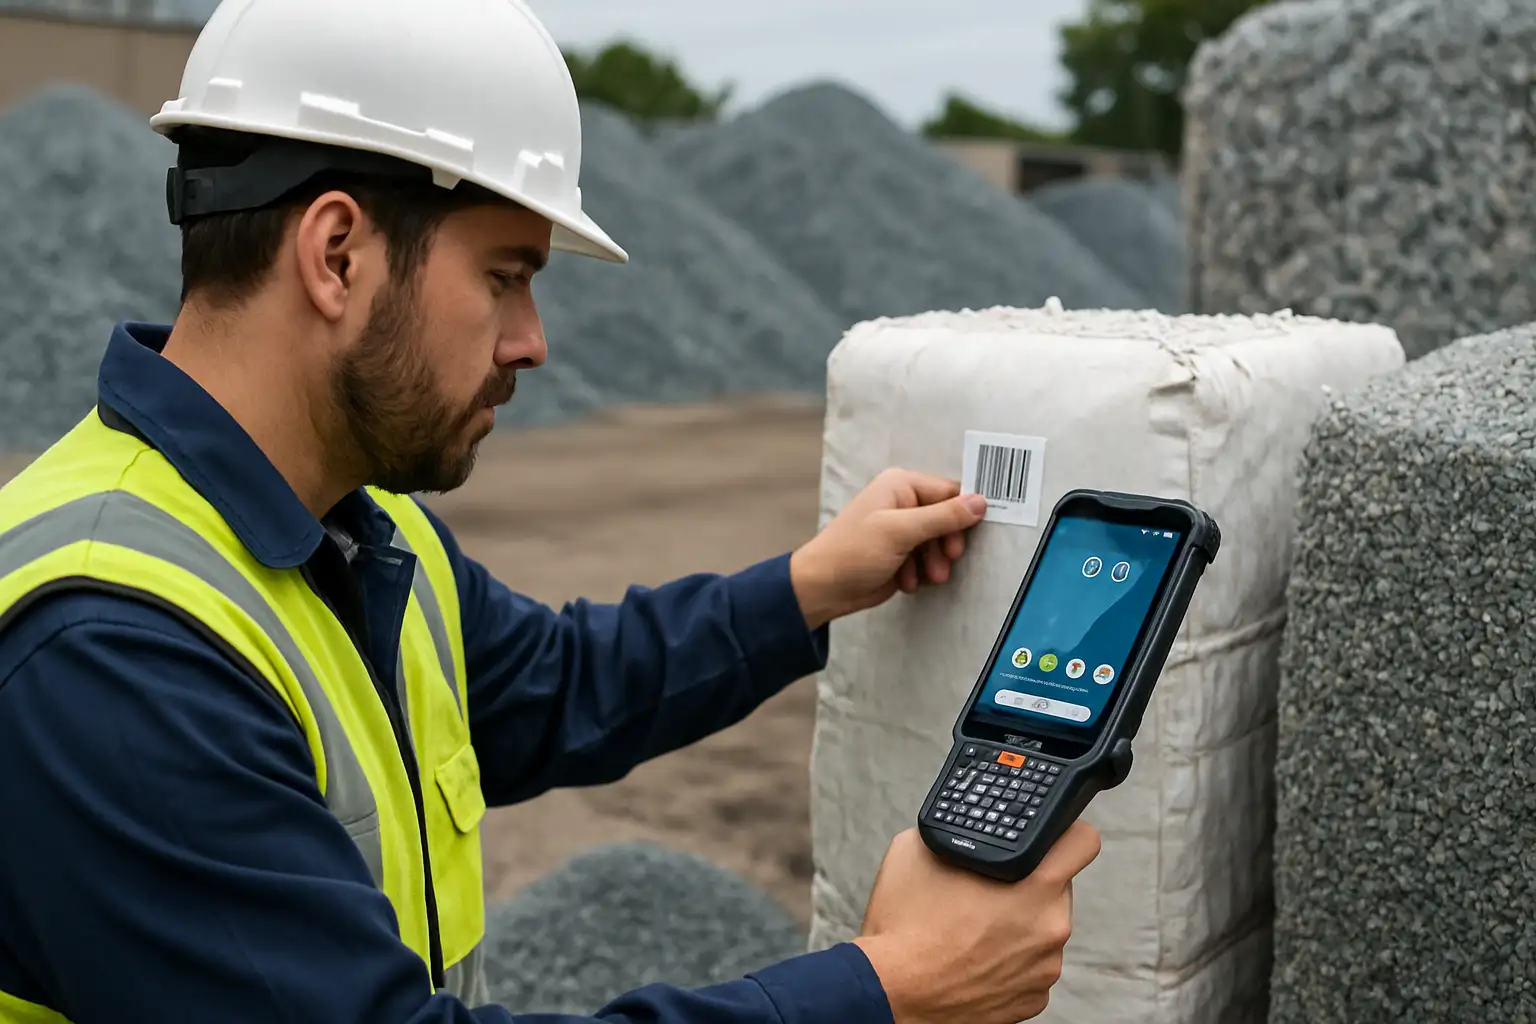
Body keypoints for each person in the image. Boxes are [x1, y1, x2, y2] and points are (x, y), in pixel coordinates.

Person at [0, 0, 1102, 1021]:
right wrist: (891, 988)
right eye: (505, 275)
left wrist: (812, 587)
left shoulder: (356, 531)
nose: (534, 340)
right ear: (336, 254)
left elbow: (557, 684)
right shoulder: (110, 652)